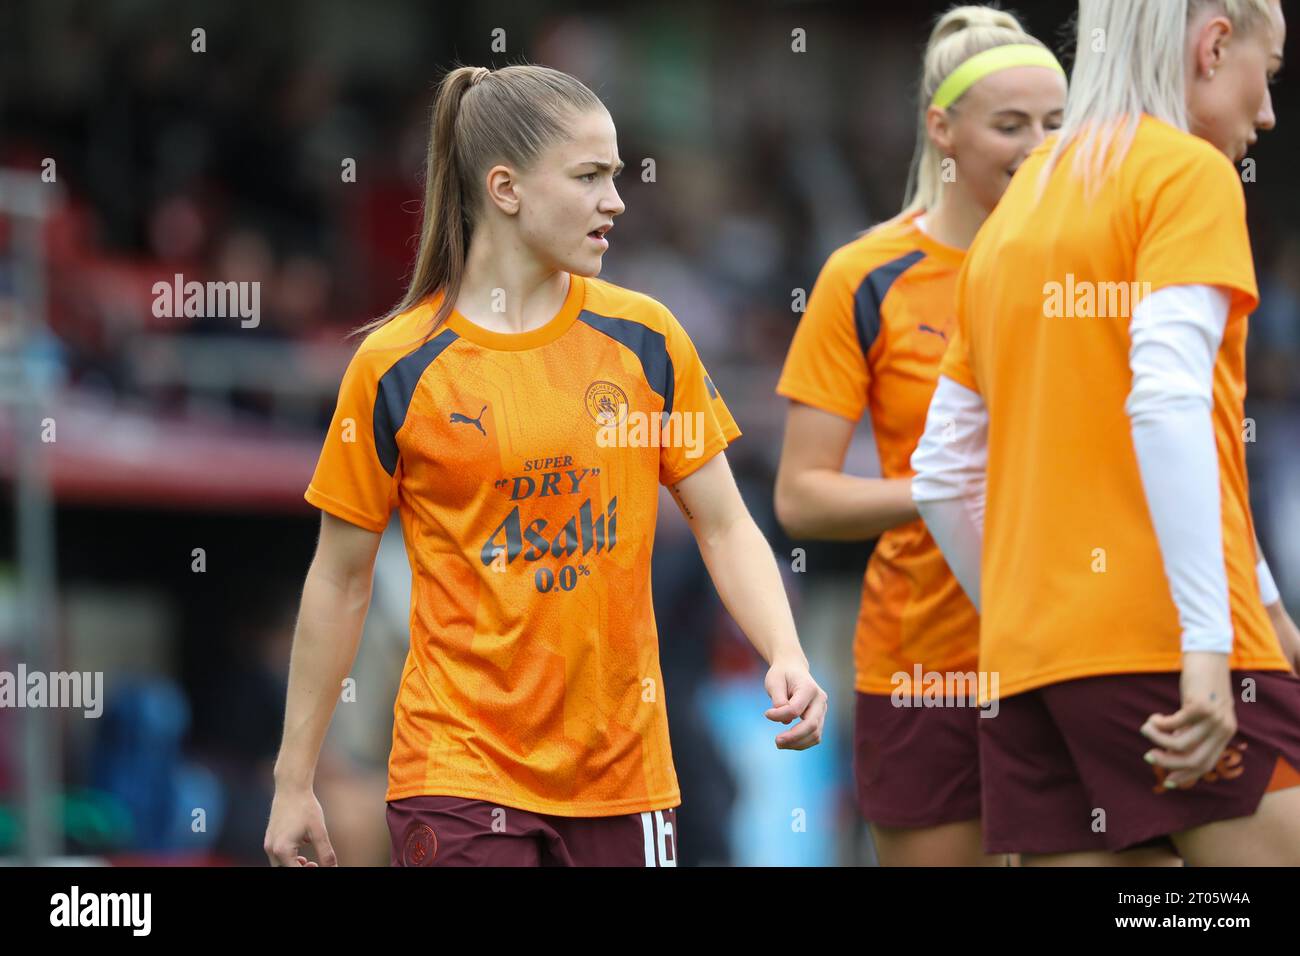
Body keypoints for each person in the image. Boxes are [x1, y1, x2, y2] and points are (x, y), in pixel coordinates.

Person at [263, 63, 827, 867]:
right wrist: (294, 781)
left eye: (617, 176)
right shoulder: (395, 366)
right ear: (506, 188)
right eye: (590, 176)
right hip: (457, 772)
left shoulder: (648, 338)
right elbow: (339, 580)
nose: (617, 201)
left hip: (625, 775)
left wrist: (787, 651)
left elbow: (727, 524)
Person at [912, 0, 1300, 865]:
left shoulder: (1015, 211)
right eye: (1266, 79)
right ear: (1214, 45)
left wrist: (1032, 622)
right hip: (1174, 649)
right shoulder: (1187, 176)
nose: (1268, 113)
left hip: (1029, 669)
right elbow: (1167, 406)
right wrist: (1209, 648)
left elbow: (940, 474)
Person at [773, 5, 1066, 866]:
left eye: (1056, 124)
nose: (1038, 145)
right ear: (941, 128)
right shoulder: (864, 276)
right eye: (1011, 125)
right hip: (924, 658)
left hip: (1076, 643)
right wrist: (947, 493)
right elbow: (800, 497)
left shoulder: (1088, 265)